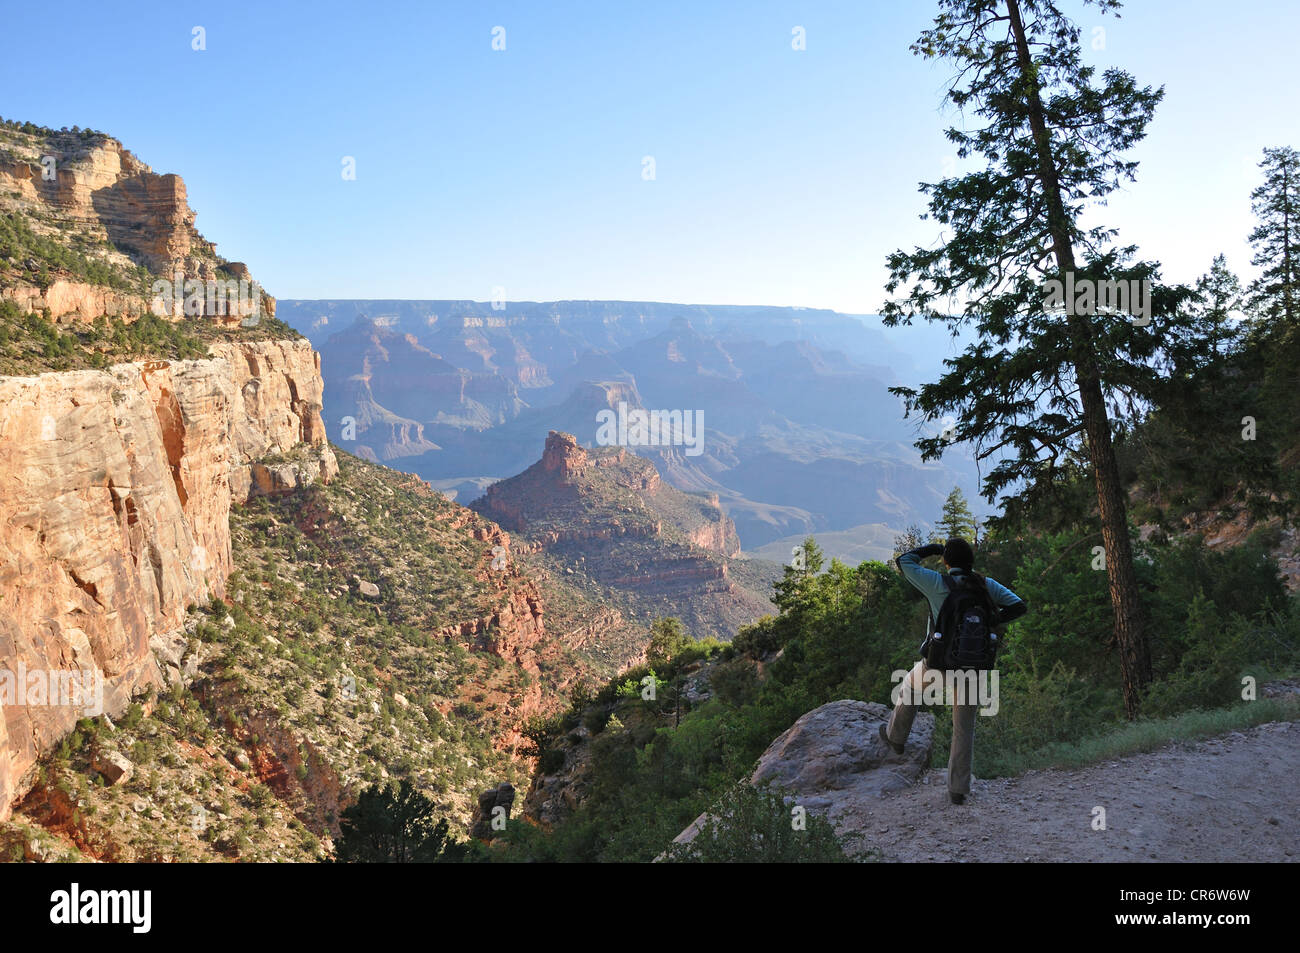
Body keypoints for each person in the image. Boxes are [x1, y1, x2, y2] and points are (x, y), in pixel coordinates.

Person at [880, 538, 1027, 804]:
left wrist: (934, 549)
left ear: (947, 562)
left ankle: (896, 738)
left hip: (938, 664)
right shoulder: (986, 585)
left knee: (910, 687)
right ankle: (958, 790)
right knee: (963, 728)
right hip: (974, 667)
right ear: (971, 562)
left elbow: (903, 561)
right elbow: (1019, 605)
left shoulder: (936, 583)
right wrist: (993, 619)